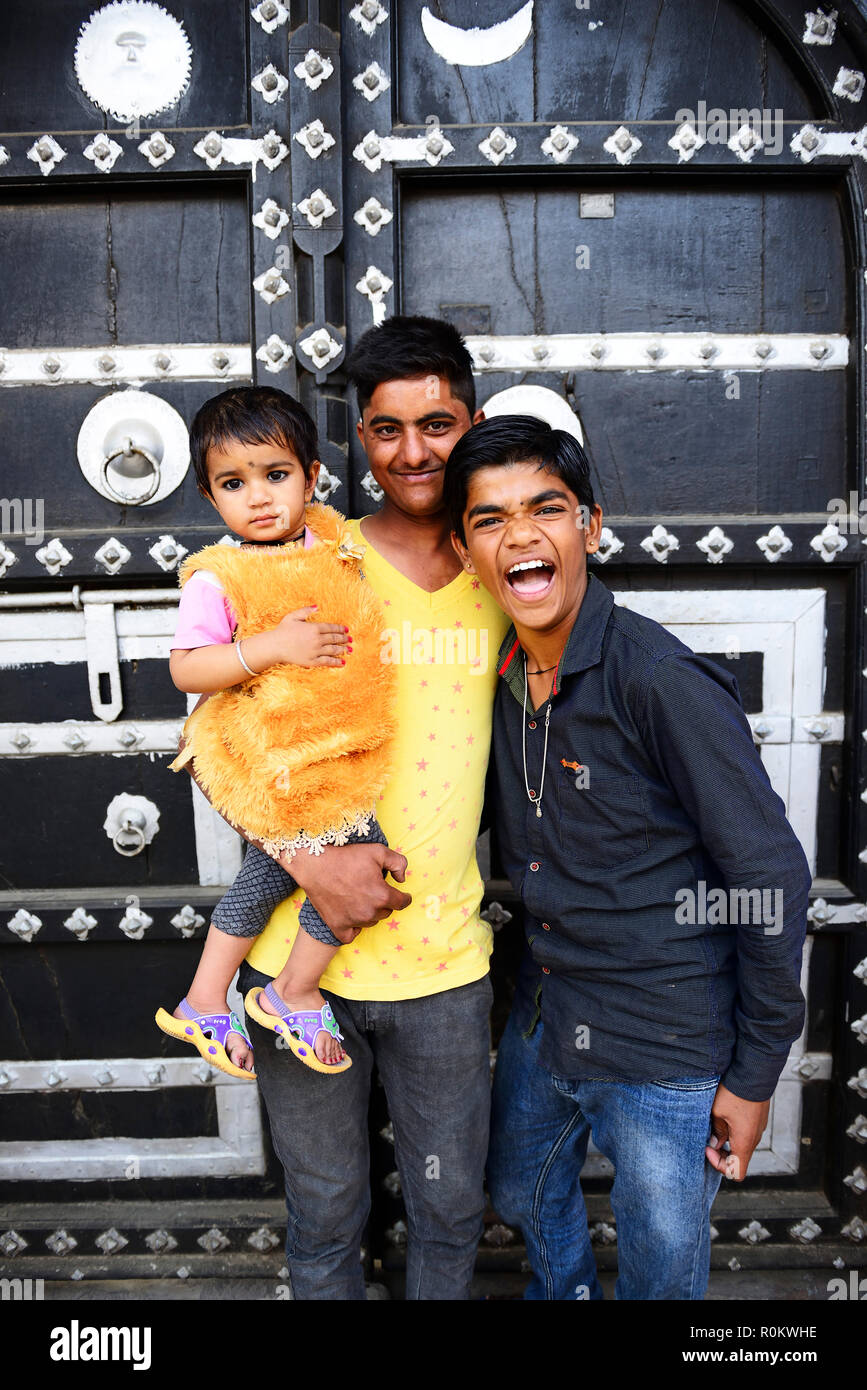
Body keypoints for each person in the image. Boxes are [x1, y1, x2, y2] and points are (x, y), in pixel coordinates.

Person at [445, 415, 811, 1300]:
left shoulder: (656, 679)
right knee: (517, 1190)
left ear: (590, 528)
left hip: (662, 1031)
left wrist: (755, 1074)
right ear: (463, 551)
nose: (521, 535)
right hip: (549, 1002)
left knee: (659, 1265)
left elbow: (769, 881)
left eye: (547, 509)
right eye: (490, 520)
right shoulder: (497, 676)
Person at [232, 315, 511, 1299]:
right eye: (387, 430)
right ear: (360, 440)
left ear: (470, 420)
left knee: (446, 1213)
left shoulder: (506, 572)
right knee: (325, 1214)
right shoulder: (318, 559)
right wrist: (309, 860)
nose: (413, 450)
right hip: (299, 972)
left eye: (436, 423)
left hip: (443, 968)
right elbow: (231, 739)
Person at [156, 386, 396, 1076]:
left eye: (276, 475)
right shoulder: (218, 578)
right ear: (211, 498)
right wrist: (268, 649)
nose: (258, 497)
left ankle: (206, 998)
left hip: (326, 746)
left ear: (312, 476)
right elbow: (186, 670)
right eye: (234, 483)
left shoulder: (329, 541)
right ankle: (291, 990)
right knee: (363, 862)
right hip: (274, 755)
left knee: (266, 876)